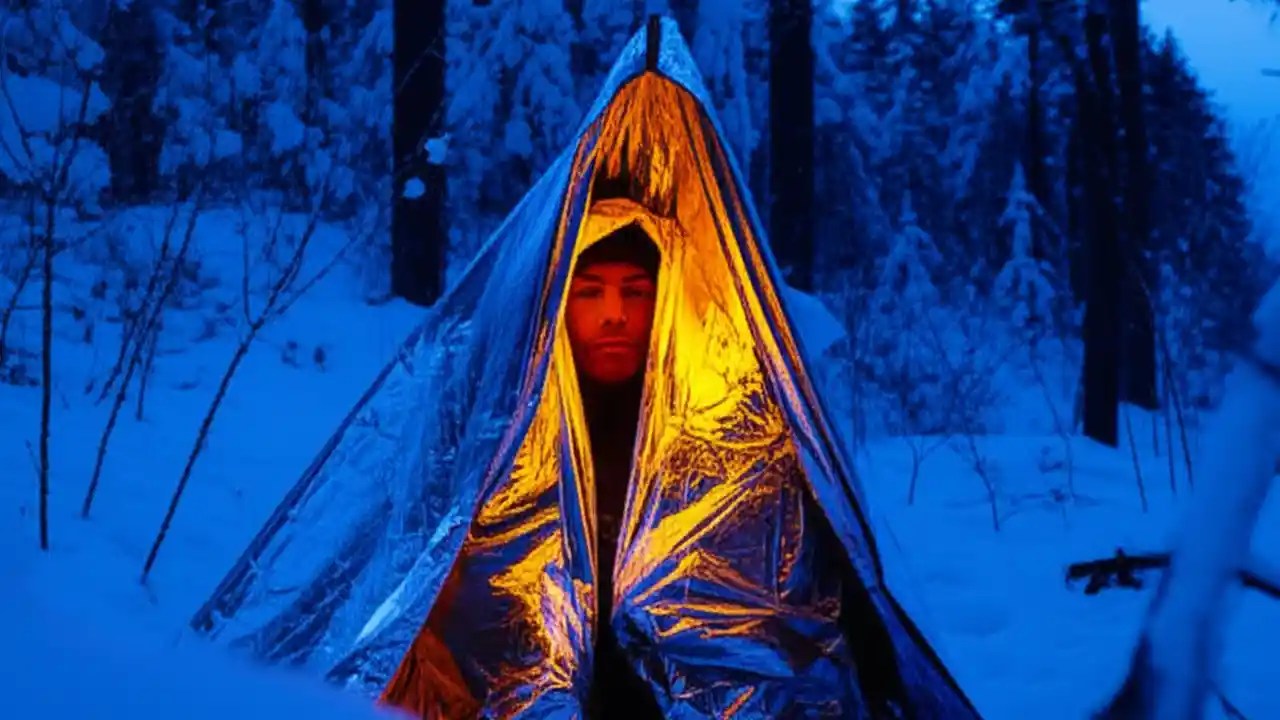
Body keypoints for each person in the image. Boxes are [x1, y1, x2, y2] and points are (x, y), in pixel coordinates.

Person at [563, 222, 666, 718]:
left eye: (636, 292)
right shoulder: (507, 430)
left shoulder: (714, 428)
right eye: (589, 293)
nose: (615, 316)